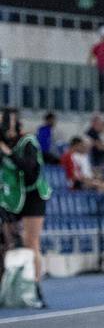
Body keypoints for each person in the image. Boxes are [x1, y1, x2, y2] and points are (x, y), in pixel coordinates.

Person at [0, 108, 51, 296]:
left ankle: (35, 286)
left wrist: (9, 153)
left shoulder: (28, 142)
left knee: (31, 241)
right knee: (7, 241)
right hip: (10, 194)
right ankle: (6, 286)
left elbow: (30, 171)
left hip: (33, 193)